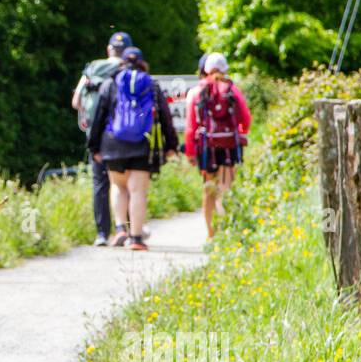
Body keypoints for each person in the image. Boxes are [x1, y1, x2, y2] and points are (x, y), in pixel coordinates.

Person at [85, 46, 179, 250]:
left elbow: (98, 117)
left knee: (118, 187)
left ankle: (120, 229)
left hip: (113, 144)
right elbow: (165, 116)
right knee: (137, 191)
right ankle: (136, 238)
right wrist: (171, 144)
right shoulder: (151, 84)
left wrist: (94, 147)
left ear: (122, 62)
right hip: (141, 144)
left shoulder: (110, 83)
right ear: (142, 62)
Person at [70, 32, 133, 246]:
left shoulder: (92, 69)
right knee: (125, 184)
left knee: (100, 184)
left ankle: (101, 234)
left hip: (94, 137)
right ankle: (127, 230)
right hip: (120, 138)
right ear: (127, 52)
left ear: (108, 50)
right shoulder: (126, 71)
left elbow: (76, 101)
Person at [184, 52, 251, 238]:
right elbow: (246, 119)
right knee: (225, 188)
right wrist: (239, 132)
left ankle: (210, 233)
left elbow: (191, 125)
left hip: (207, 147)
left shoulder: (197, 92)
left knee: (209, 190)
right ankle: (225, 232)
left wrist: (190, 151)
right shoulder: (232, 90)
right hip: (228, 145)